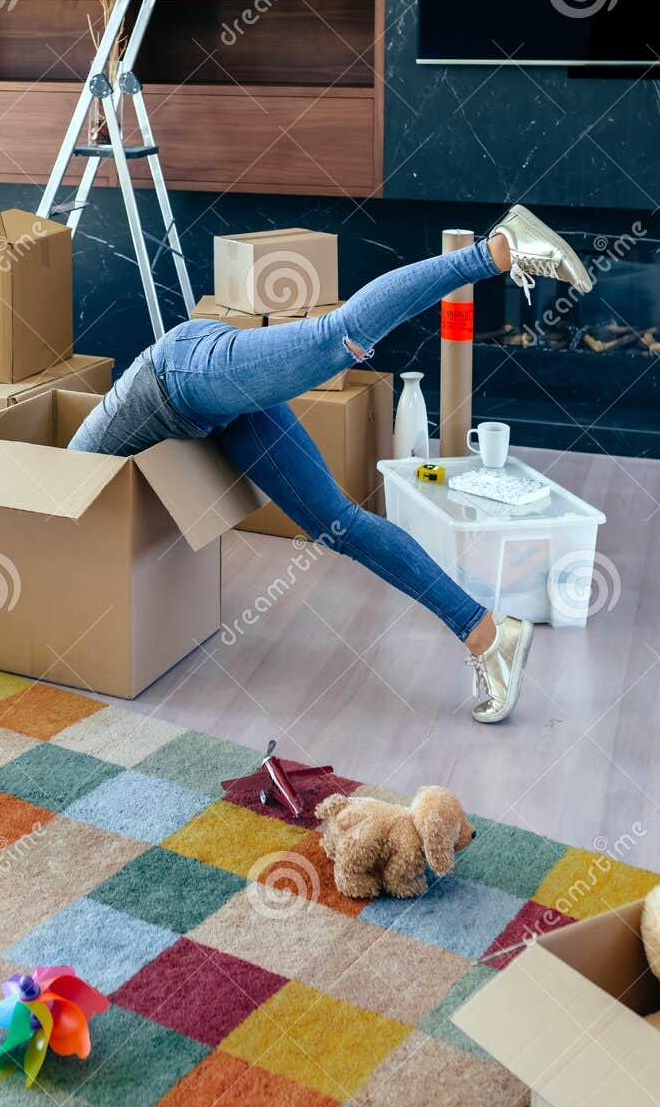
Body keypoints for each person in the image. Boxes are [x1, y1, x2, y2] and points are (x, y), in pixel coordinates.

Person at [69, 205, 592, 724]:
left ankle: (495, 250)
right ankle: (489, 635)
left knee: (337, 337)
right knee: (337, 523)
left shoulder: (72, 476)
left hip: (186, 373)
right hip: (211, 415)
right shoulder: (81, 484)